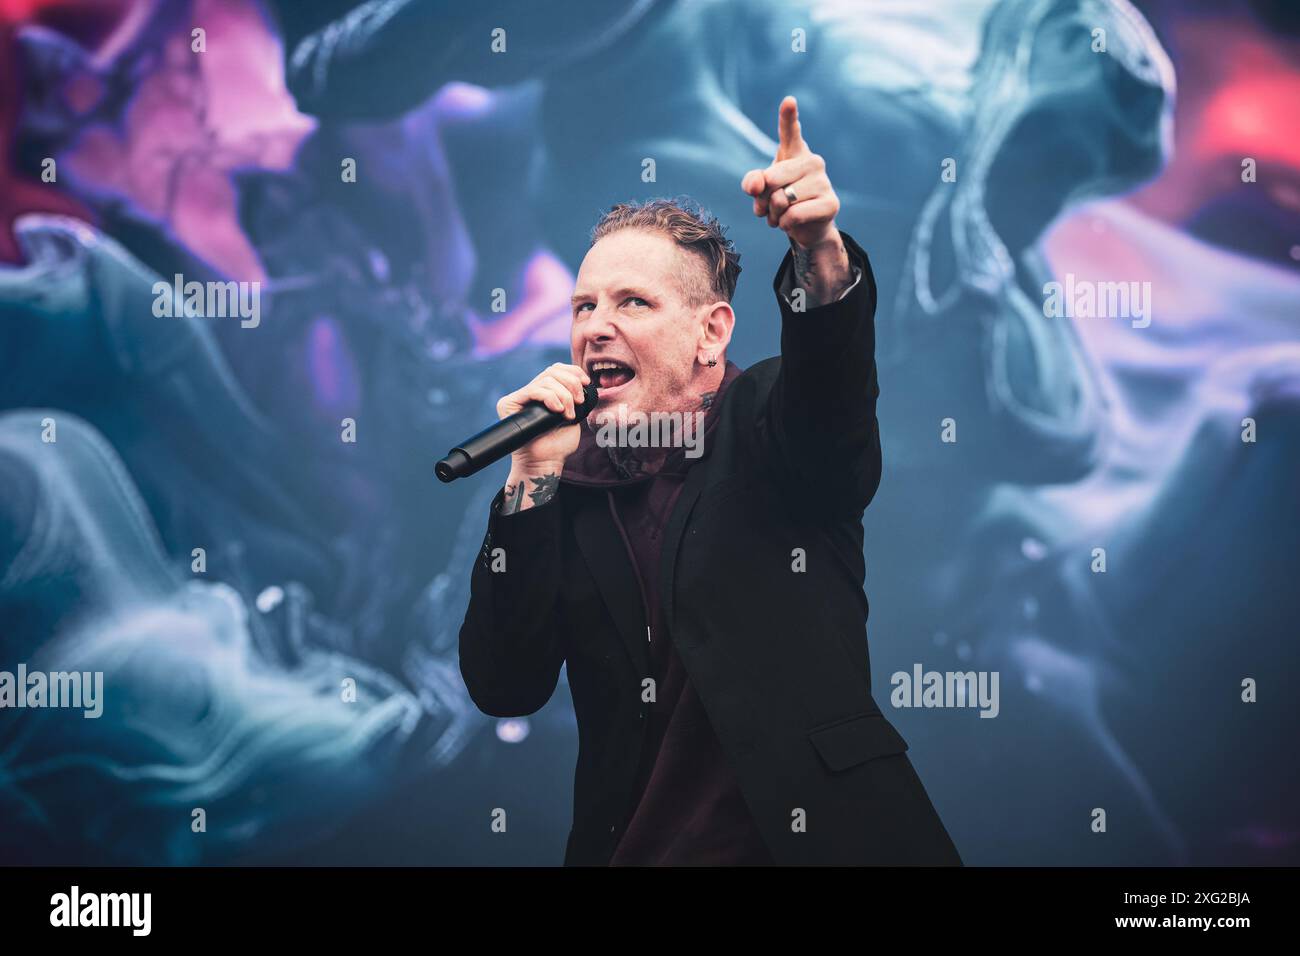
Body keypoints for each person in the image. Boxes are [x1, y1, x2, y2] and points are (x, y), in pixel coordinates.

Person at [459, 97, 961, 866]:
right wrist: (531, 474)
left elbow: (832, 393)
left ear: (711, 333)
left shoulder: (767, 421)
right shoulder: (566, 487)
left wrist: (819, 252)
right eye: (584, 305)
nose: (595, 325)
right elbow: (504, 684)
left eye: (633, 302)